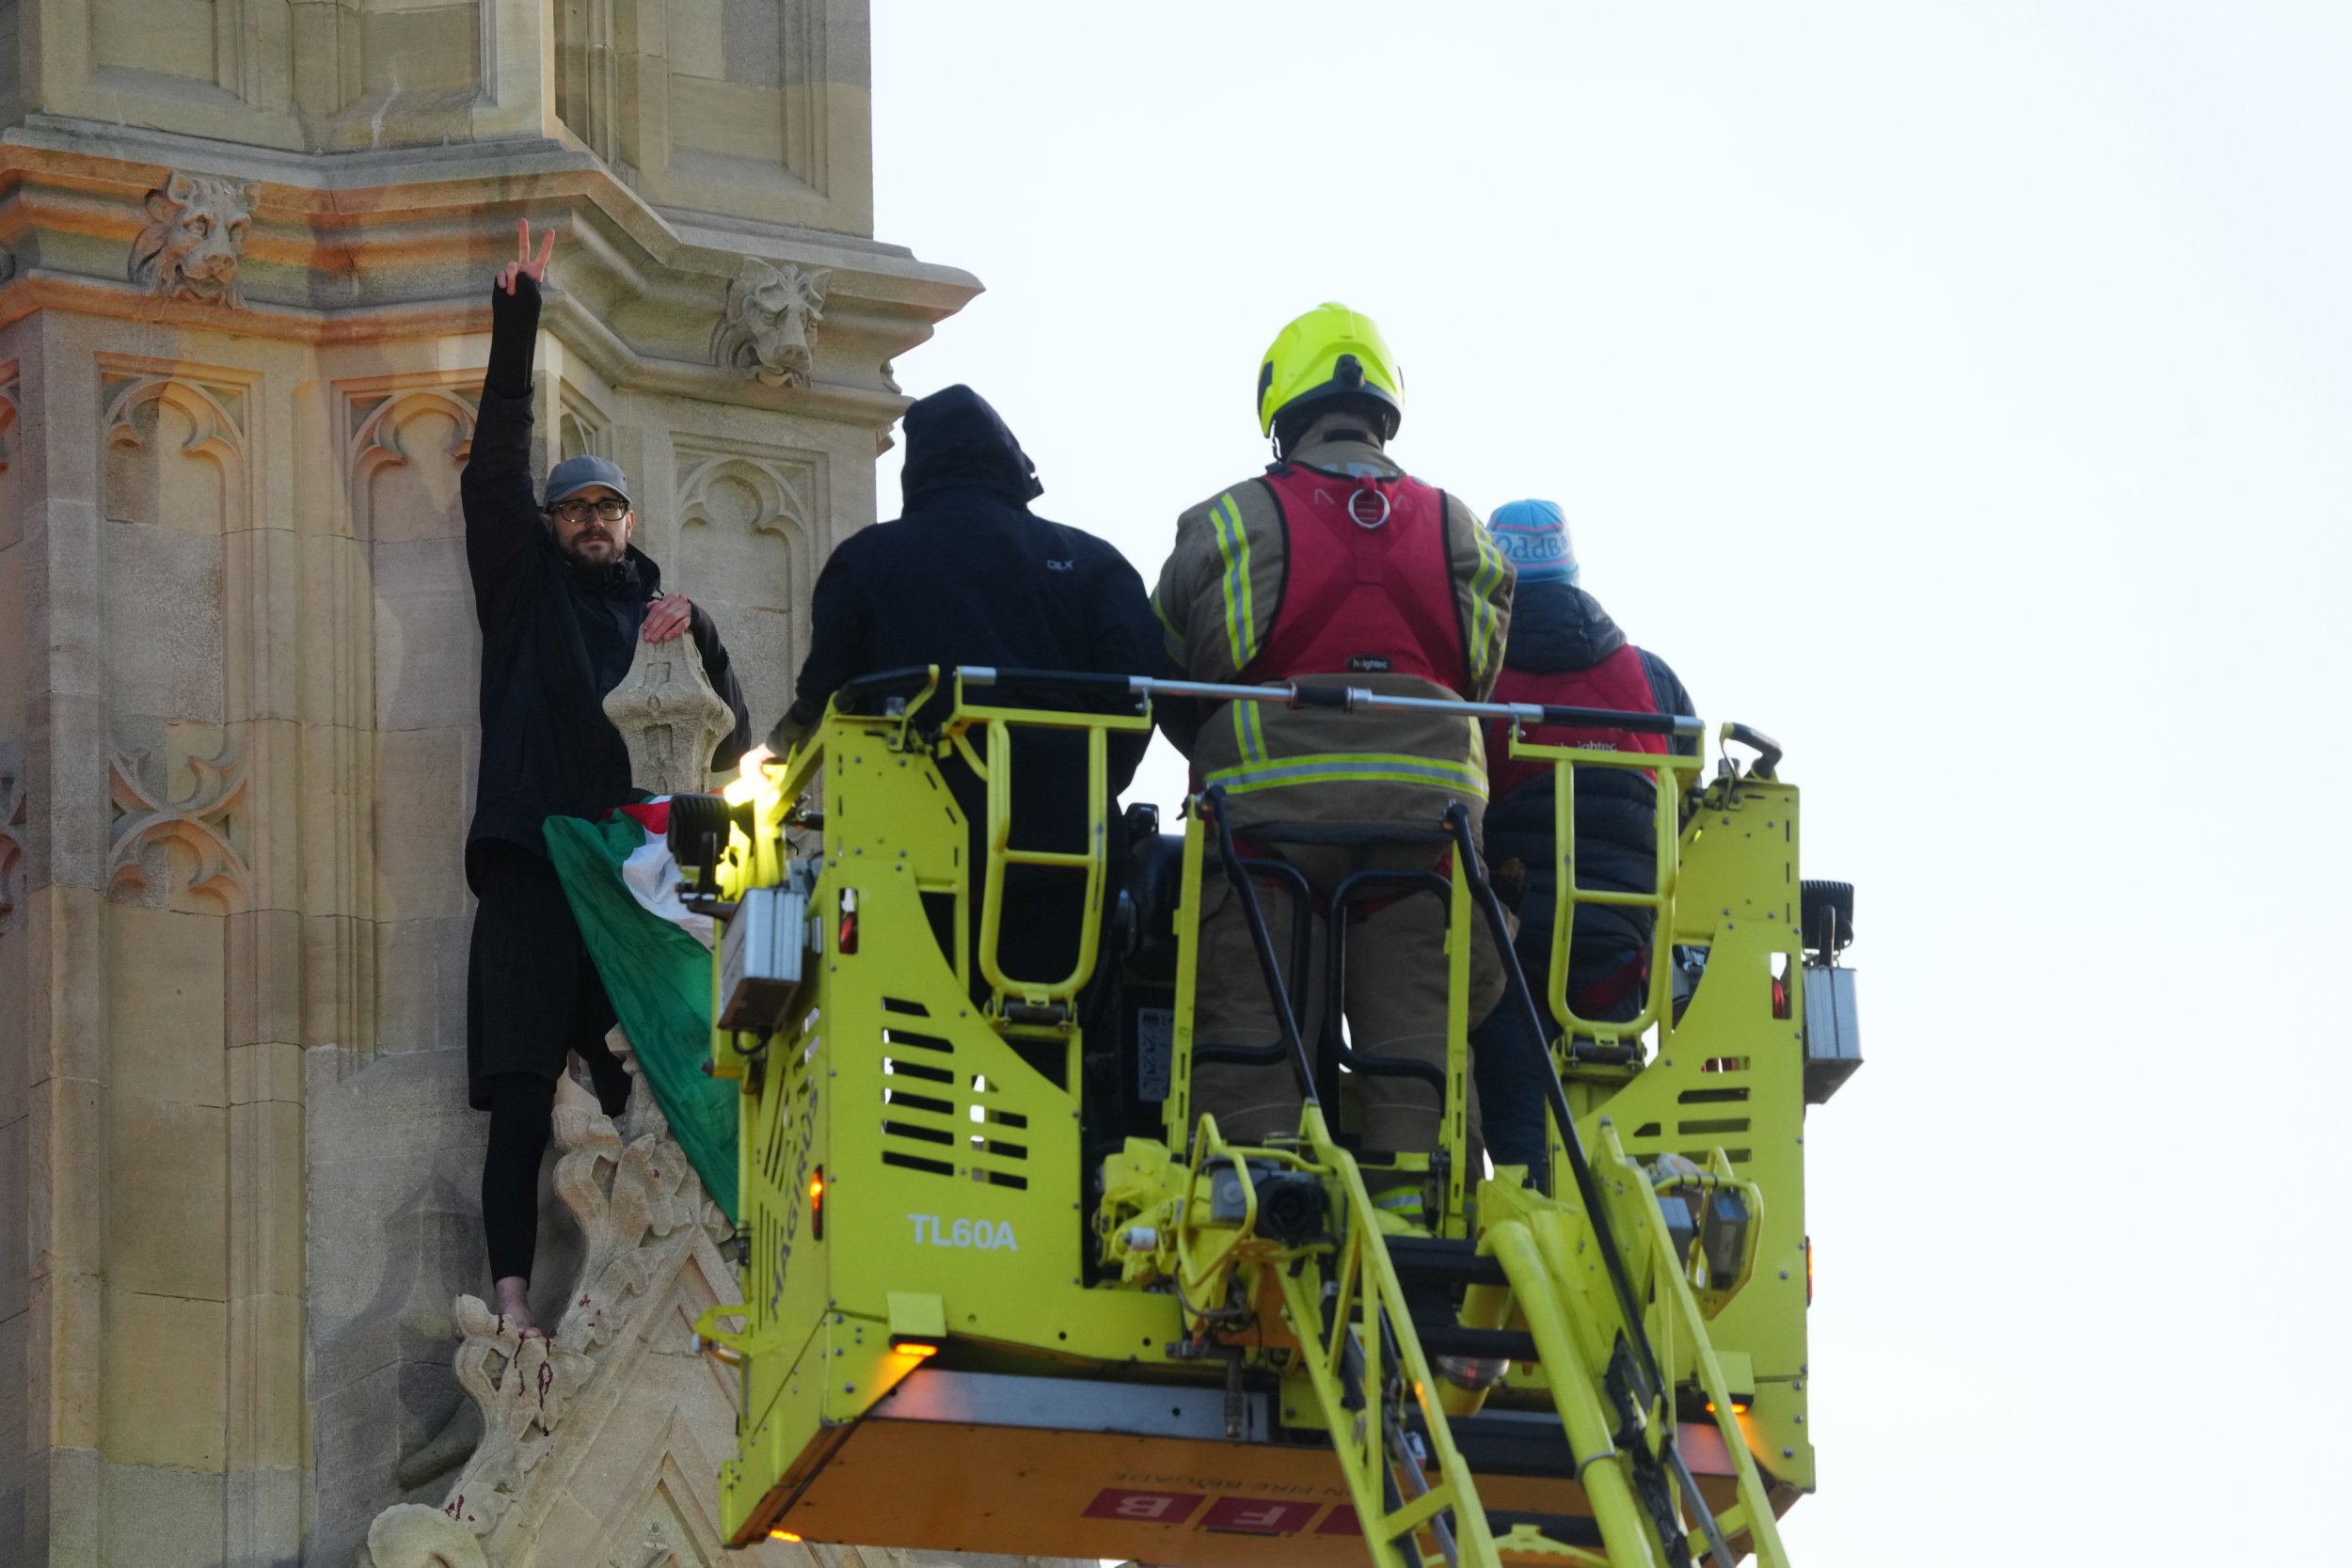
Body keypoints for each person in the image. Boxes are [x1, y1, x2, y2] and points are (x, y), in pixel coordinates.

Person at [463, 219, 752, 1338]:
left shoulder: (661, 612)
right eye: (575, 508)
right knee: (519, 1093)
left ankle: (667, 1285)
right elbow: (493, 470)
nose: (593, 521)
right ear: (552, 525)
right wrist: (518, 322)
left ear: (629, 521)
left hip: (639, 883)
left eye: (608, 508)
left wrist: (701, 632)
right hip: (537, 869)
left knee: (653, 1083)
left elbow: (730, 743)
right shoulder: (524, 592)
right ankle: (511, 1300)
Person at [1153, 303, 1513, 1196]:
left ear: (1283, 412)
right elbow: (1480, 671)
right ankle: (1417, 1208)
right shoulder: (1464, 529)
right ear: (1384, 411)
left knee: (1252, 1028)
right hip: (1427, 825)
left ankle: (1259, 1196)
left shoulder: (1226, 521)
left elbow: (1169, 671)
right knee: (1419, 1039)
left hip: (1265, 827)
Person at [755, 384, 1161, 997]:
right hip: (1068, 850)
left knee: (910, 1036)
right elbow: (1136, 694)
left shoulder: (868, 559)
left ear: (917, 469)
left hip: (908, 856)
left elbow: (825, 695)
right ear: (1011, 461)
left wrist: (773, 754)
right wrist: (1090, 784)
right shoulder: (1093, 562)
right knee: (1058, 1033)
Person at [1469, 499, 1696, 1175]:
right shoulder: (1652, 679)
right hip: (1622, 948)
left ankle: (1525, 1185)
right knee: (1607, 1135)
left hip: (1513, 944)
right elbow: (1689, 806)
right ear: (1572, 575)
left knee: (1519, 1126)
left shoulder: (1474, 677)